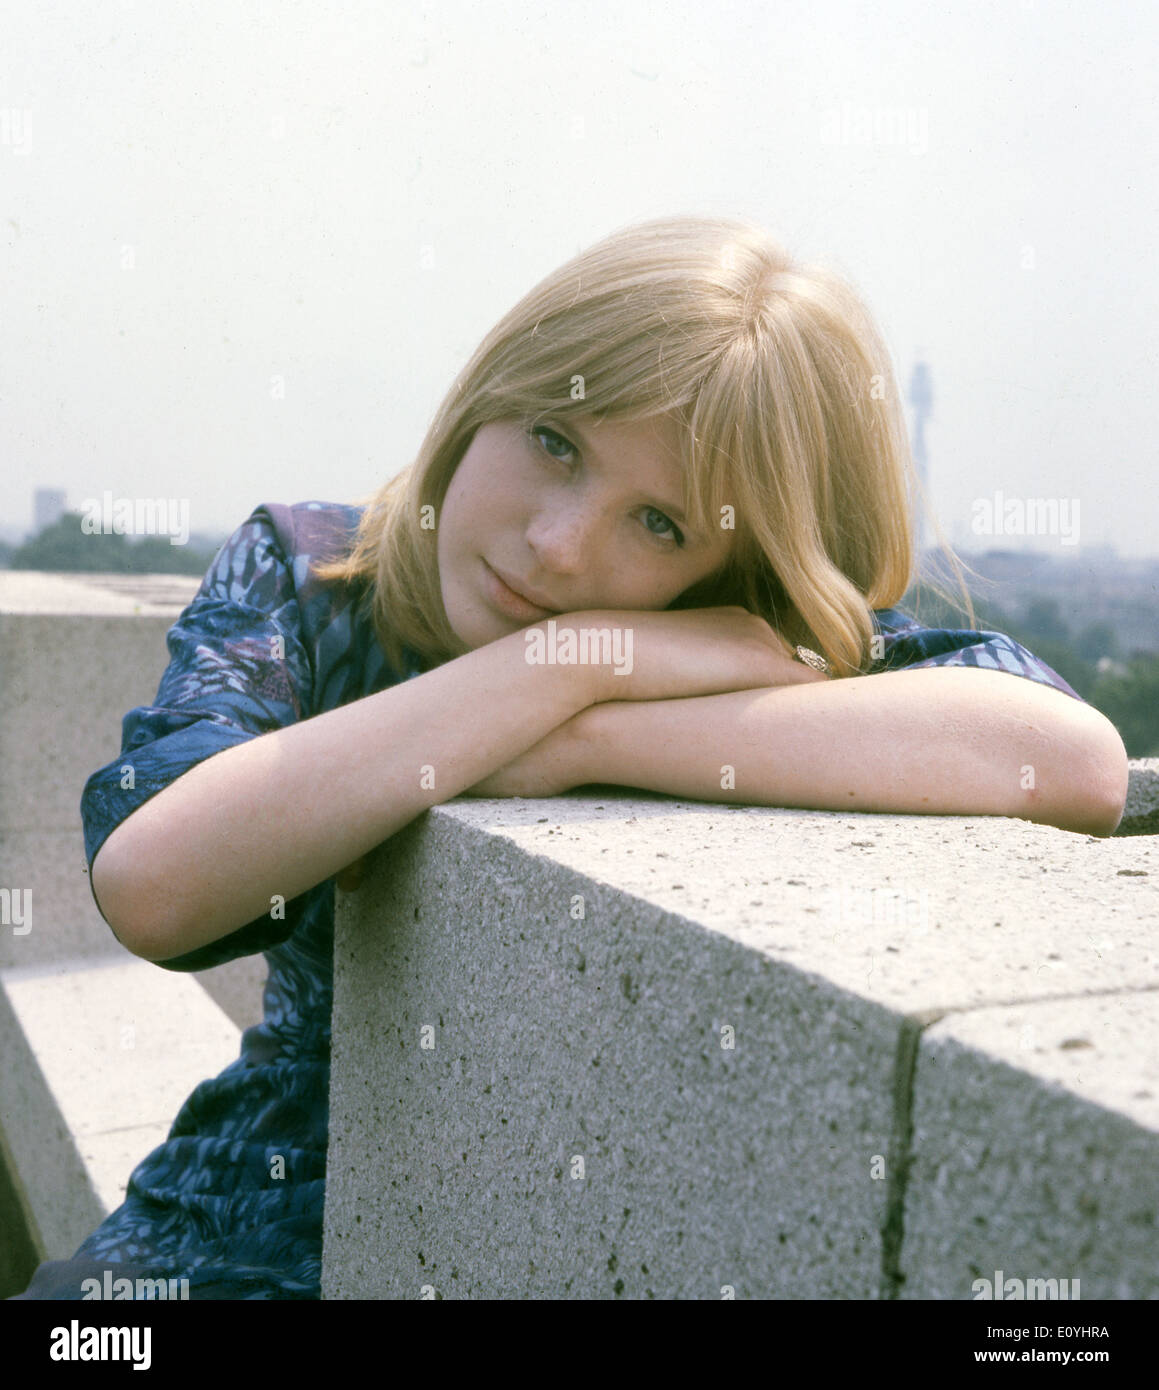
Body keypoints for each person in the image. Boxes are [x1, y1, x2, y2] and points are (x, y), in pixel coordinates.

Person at [11, 213, 1127, 1300]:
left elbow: (1068, 760)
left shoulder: (734, 638)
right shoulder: (312, 576)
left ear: (725, 568)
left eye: (660, 525)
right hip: (232, 1221)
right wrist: (557, 670)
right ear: (488, 393)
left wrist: (592, 727)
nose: (558, 544)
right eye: (555, 442)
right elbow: (154, 885)